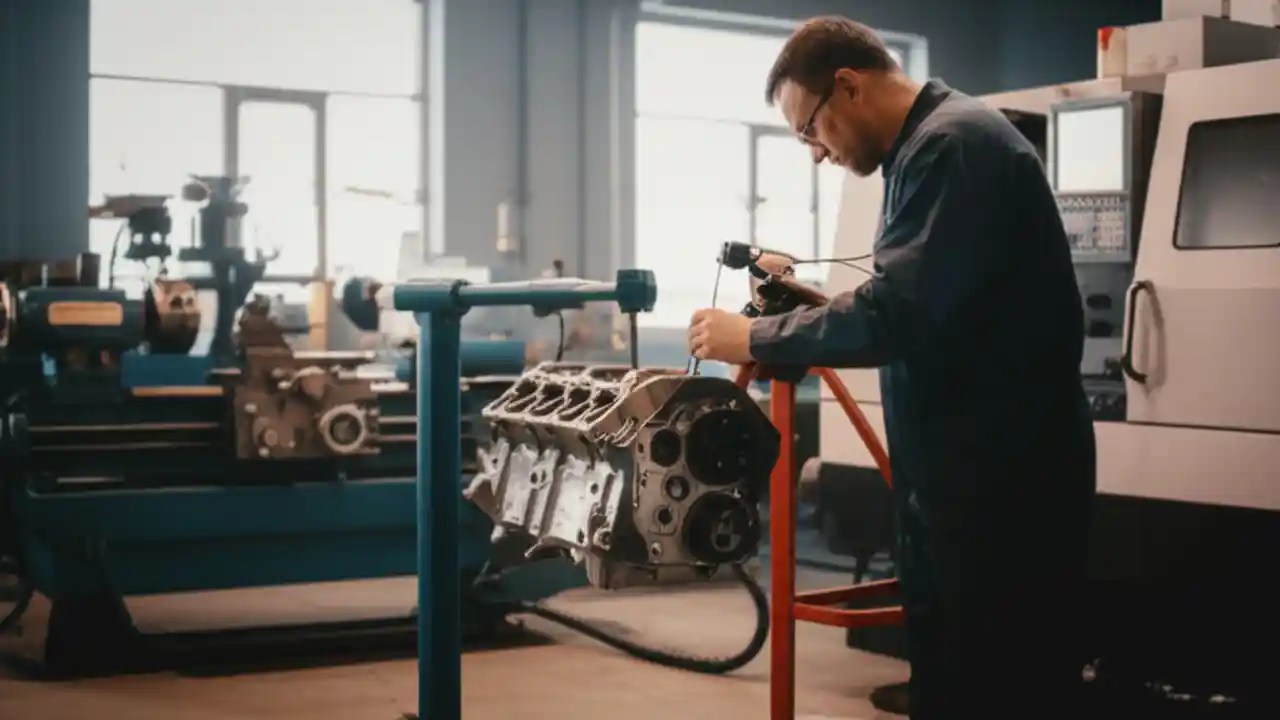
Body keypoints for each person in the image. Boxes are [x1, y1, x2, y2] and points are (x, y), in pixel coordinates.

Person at [686, 16, 1097, 720]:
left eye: (810, 130)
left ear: (848, 86)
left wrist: (753, 335)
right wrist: (805, 316)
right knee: (954, 676)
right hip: (964, 475)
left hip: (999, 487)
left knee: (992, 683)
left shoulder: (951, 147)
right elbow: (936, 308)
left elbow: (896, 315)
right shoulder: (927, 148)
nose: (817, 154)